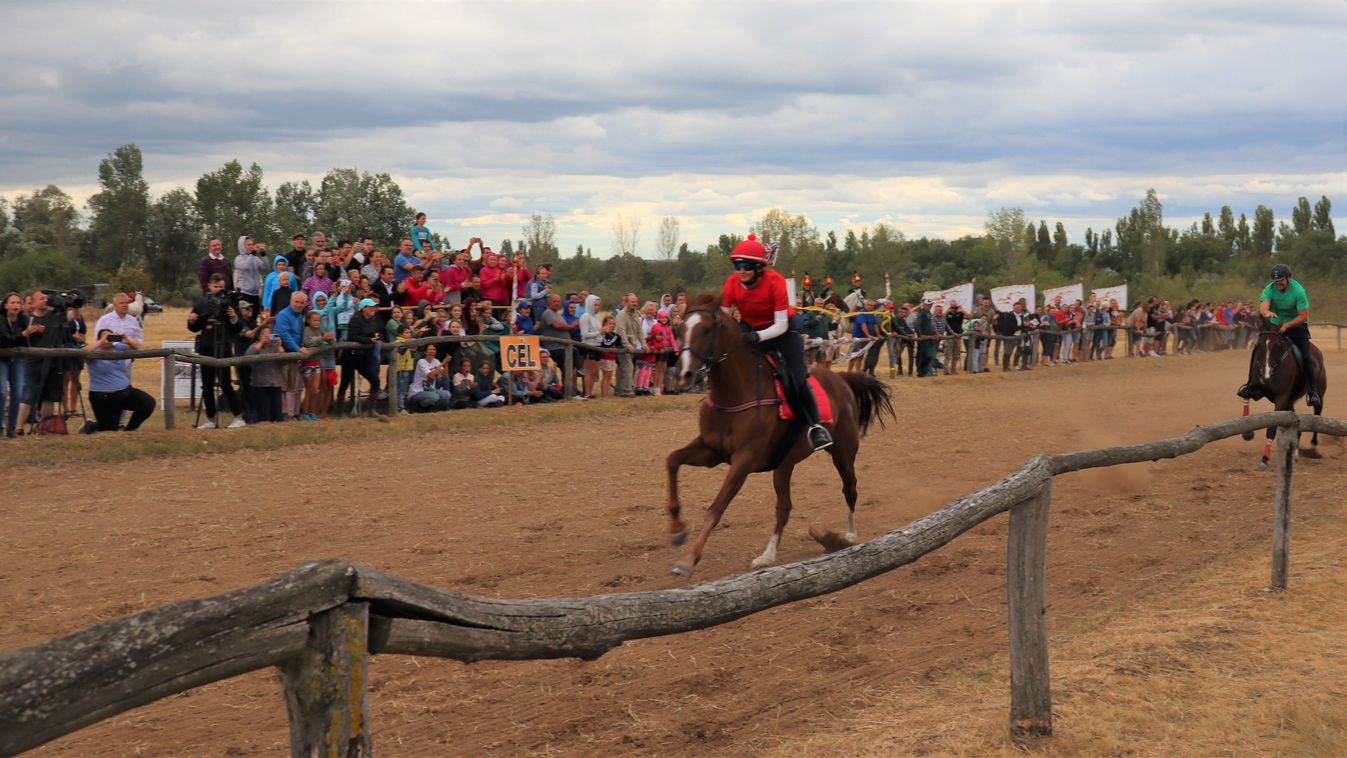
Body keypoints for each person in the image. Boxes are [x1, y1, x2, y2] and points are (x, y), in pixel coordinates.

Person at [721, 233, 831, 451]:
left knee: (798, 380)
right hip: (752, 330)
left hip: (784, 332)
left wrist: (757, 336)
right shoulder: (731, 283)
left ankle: (816, 427)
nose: (741, 270)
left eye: (746, 265)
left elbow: (780, 324)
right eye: (737, 264)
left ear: (759, 268)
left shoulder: (775, 282)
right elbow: (723, 317)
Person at [1238, 263, 1321, 406]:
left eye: (1281, 281)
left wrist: (1287, 325)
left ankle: (1313, 392)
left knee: (1307, 356)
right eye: (1275, 281)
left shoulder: (1299, 291)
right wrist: (1267, 312)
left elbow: (1303, 316)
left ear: (1288, 278)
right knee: (1258, 348)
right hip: (1275, 325)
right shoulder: (1269, 289)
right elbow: (1263, 307)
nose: (1278, 284)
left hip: (1296, 326)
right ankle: (1250, 384)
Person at [189, 274, 246, 429]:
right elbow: (193, 327)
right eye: (216, 287)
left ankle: (238, 417)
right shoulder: (202, 303)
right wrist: (192, 319)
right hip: (206, 348)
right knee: (207, 385)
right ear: (209, 286)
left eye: (222, 287)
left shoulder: (229, 303)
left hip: (223, 348)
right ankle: (210, 419)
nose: (219, 290)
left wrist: (234, 317)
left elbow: (238, 327)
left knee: (225, 383)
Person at [84, 329, 156, 432]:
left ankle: (129, 431)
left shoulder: (118, 347)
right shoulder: (93, 351)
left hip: (125, 392)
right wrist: (101, 341)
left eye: (110, 336)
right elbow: (83, 353)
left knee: (148, 404)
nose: (108, 339)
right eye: (105, 336)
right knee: (109, 430)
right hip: (103, 397)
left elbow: (137, 347)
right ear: (99, 339)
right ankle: (90, 426)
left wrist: (127, 340)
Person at [244, 324, 286, 423]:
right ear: (259, 336)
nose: (267, 336)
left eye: (269, 333)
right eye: (264, 334)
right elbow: (247, 357)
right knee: (264, 415)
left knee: (277, 415)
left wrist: (280, 346)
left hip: (275, 383)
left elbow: (284, 361)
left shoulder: (275, 346)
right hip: (260, 385)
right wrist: (261, 343)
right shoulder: (254, 346)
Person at [0, 292, 28, 436]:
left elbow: (26, 343)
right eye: (12, 302)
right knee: (2, 391)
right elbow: (5, 341)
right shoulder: (1, 320)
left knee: (18, 393)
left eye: (18, 302)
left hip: (17, 359)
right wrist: (23, 335)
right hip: (2, 359)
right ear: (5, 305)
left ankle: (12, 428)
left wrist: (33, 333)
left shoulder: (24, 319)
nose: (16, 305)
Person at [409, 343, 453, 411]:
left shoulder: (436, 361)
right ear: (425, 352)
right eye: (430, 349)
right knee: (435, 397)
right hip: (418, 391)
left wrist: (446, 363)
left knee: (447, 394)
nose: (432, 351)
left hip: (431, 390)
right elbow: (431, 376)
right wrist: (443, 362)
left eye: (434, 349)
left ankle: (431, 407)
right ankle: (420, 407)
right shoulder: (421, 362)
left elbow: (445, 375)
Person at [233, 235, 267, 310]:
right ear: (242, 246)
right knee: (244, 318)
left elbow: (265, 267)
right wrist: (253, 253)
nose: (251, 246)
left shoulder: (255, 258)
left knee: (254, 318)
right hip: (244, 293)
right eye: (248, 245)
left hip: (255, 294)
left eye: (252, 244)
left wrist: (263, 254)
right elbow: (245, 266)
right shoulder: (238, 259)